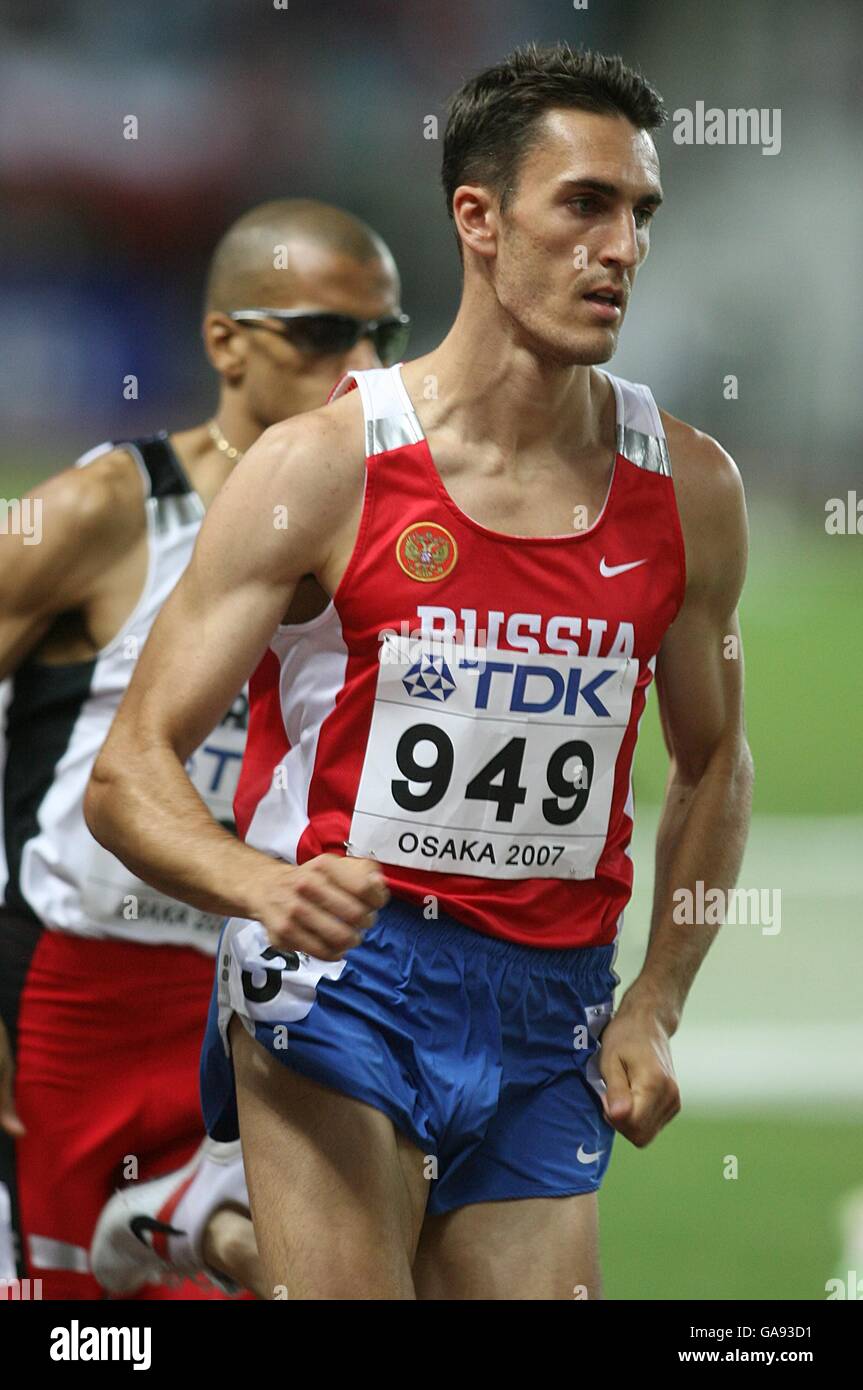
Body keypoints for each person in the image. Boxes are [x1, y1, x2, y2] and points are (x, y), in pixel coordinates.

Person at [86, 44, 754, 1301]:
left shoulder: (692, 491)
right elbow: (128, 769)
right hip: (346, 983)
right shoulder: (321, 468)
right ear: (478, 218)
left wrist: (656, 1000)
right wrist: (259, 887)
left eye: (640, 214)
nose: (622, 248)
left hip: (550, 1002)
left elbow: (715, 756)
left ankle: (209, 1231)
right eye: (585, 205)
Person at [0, 197, 407, 1299]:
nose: (362, 365)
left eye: (385, 336)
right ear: (225, 339)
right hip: (74, 984)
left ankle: (191, 1222)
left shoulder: (385, 524)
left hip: (256, 991)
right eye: (323, 334)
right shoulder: (106, 510)